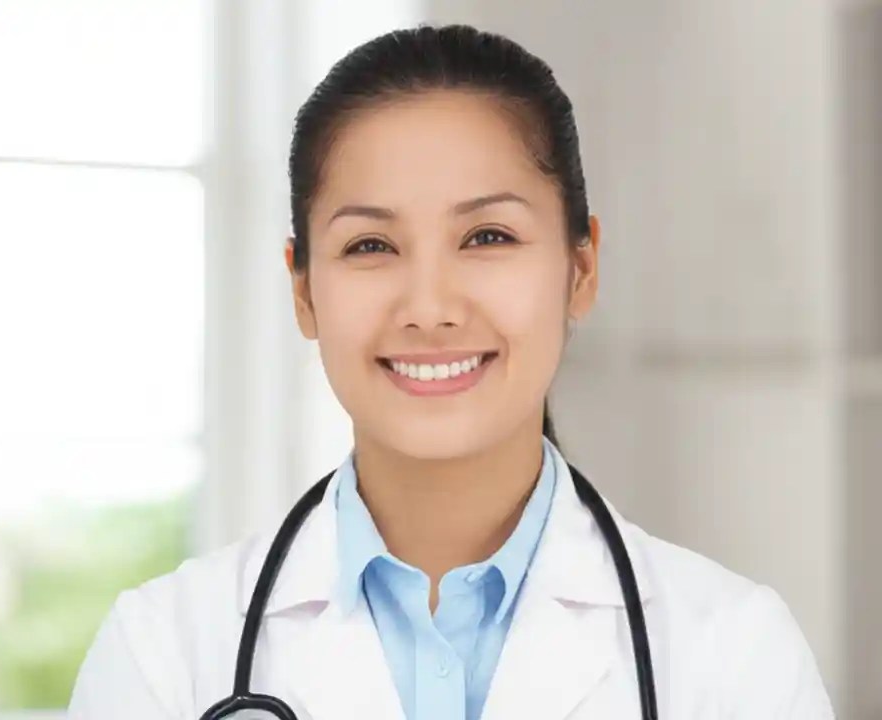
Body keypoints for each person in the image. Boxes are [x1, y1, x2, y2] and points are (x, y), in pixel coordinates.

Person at [67, 23, 834, 719]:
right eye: (370, 246)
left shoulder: (733, 657)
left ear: (581, 267)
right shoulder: (165, 656)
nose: (429, 308)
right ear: (303, 289)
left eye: (488, 236)